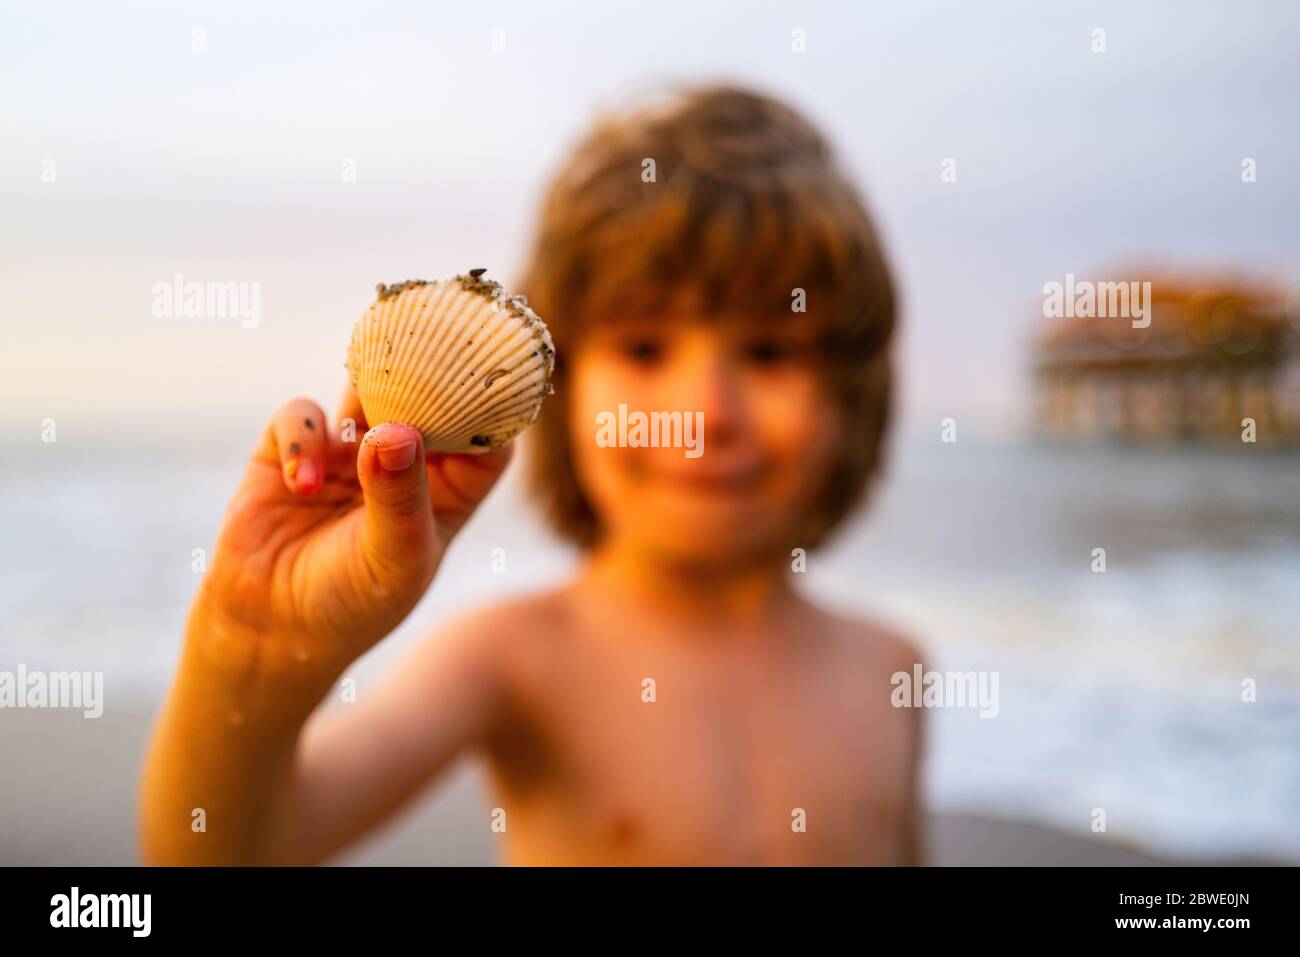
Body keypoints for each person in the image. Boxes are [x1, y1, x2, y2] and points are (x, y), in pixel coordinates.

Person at [139, 83, 925, 865]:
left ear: (851, 396)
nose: (707, 411)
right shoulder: (507, 659)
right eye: (645, 348)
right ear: (556, 391)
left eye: (769, 352)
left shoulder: (893, 669)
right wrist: (252, 649)